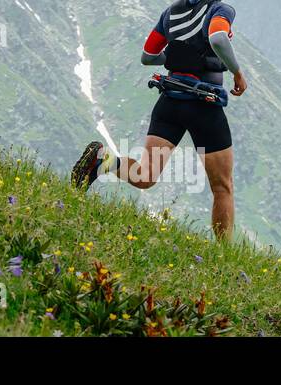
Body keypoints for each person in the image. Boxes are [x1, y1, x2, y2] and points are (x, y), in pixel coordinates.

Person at [71, 0, 246, 241]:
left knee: (145, 176)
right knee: (222, 187)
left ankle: (103, 161)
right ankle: (225, 255)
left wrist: (178, 58)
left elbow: (148, 56)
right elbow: (217, 38)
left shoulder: (171, 12)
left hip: (170, 103)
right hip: (204, 106)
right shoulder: (220, 10)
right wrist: (236, 72)